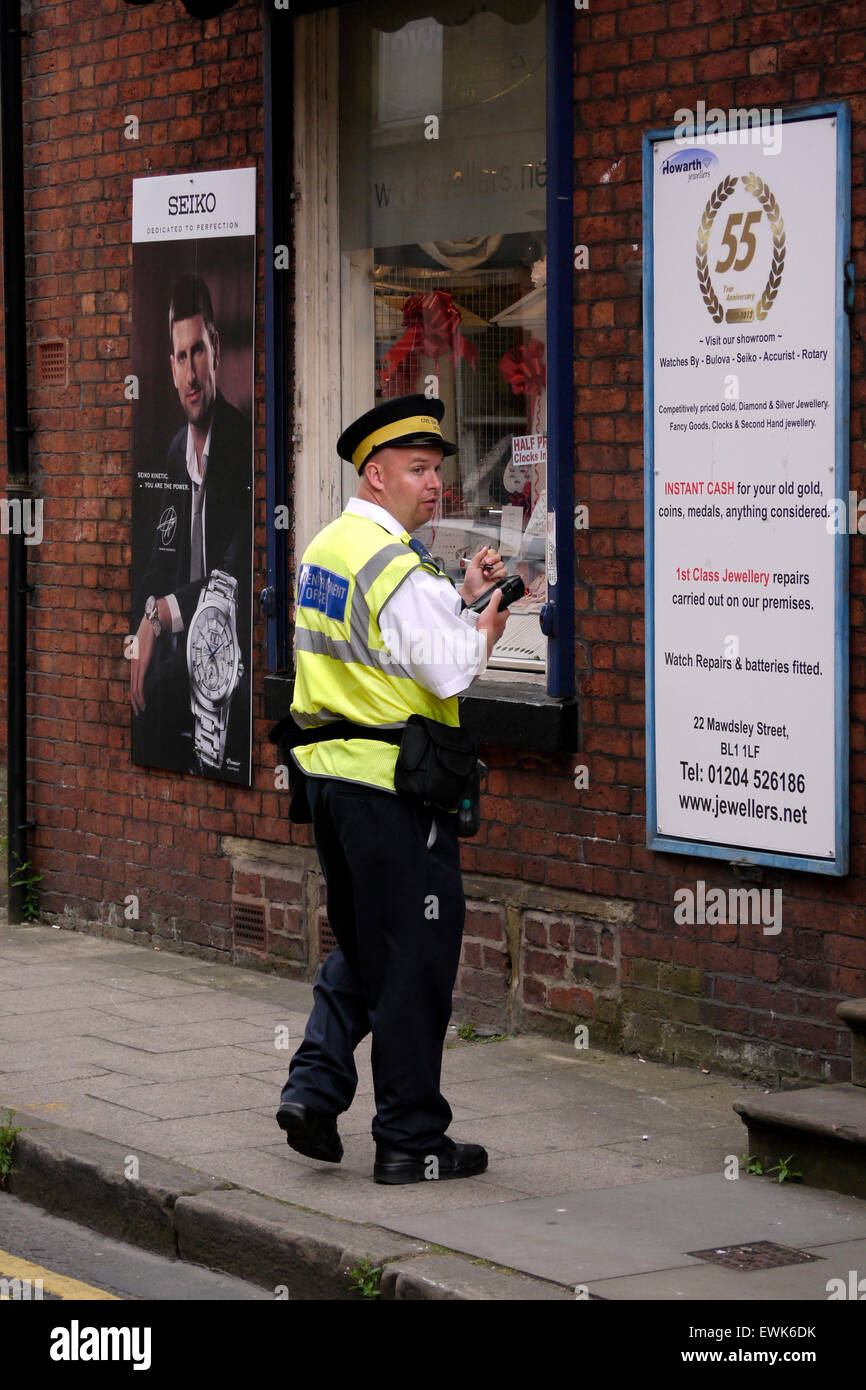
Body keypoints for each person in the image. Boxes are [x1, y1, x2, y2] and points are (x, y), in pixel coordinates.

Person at [275, 394, 510, 1184]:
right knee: (414, 961)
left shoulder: (327, 548)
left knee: (368, 944)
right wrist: (484, 626)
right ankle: (410, 1140)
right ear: (376, 475)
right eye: (418, 469)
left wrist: (458, 596)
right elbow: (444, 667)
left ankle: (313, 1089)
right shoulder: (391, 561)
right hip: (394, 791)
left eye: (438, 469)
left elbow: (383, 643)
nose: (434, 484)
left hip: (330, 786)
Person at [130, 272, 252, 776]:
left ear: (217, 349)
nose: (191, 375)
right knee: (141, 717)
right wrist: (144, 621)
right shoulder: (172, 452)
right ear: (171, 365)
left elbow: (232, 570)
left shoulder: (244, 445)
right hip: (178, 653)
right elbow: (160, 564)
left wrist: (161, 613)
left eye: (197, 351)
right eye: (180, 358)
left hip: (230, 651)